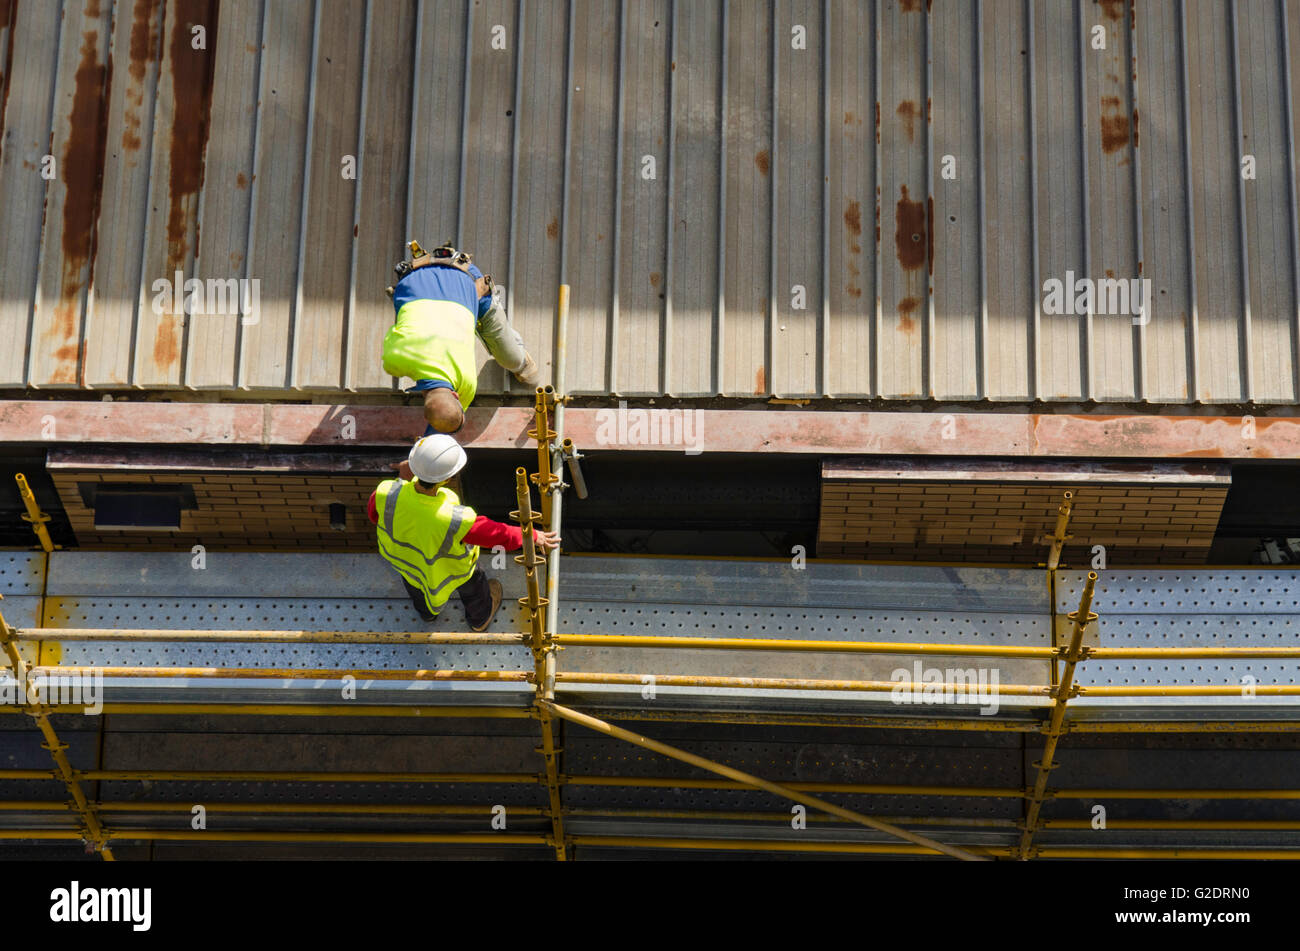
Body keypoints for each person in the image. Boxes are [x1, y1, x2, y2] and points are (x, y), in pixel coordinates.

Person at [368, 434, 560, 630]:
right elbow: (498, 534)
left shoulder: (386, 492)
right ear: (448, 478)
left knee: (417, 591)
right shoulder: (454, 519)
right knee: (473, 589)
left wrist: (403, 479)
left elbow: (375, 515)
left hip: (406, 564)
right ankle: (480, 620)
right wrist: (533, 536)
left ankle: (427, 616)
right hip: (451, 570)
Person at [382, 240, 542, 436]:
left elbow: (439, 436)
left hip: (468, 282)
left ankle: (522, 362)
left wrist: (422, 457)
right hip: (415, 276)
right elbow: (396, 329)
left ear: (455, 395)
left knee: (511, 359)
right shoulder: (393, 362)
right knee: (406, 315)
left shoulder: (465, 382)